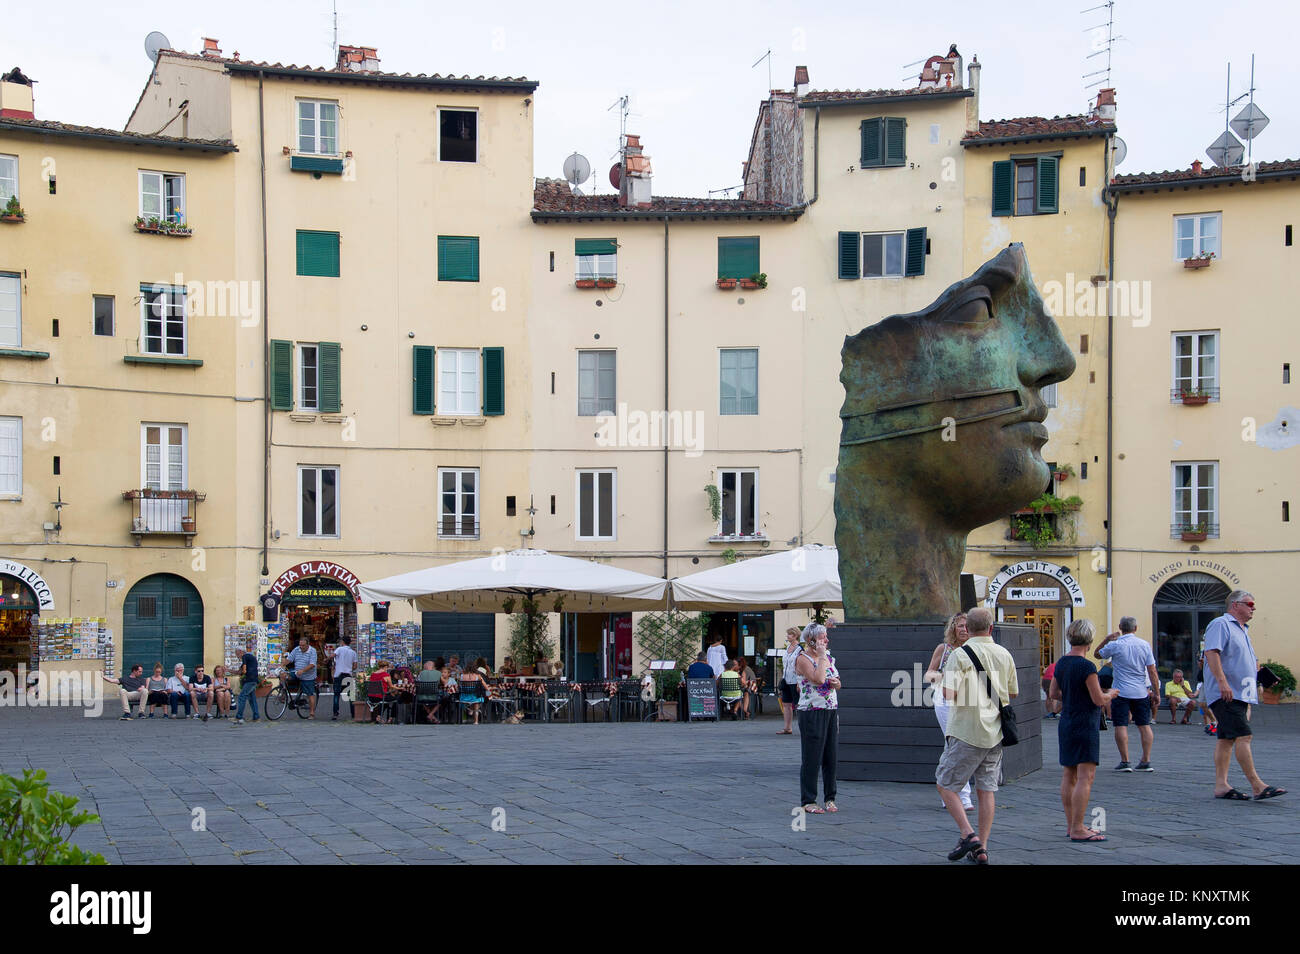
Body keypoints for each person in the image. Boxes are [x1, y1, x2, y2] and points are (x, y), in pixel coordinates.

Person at [935, 607, 1018, 865]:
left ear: (967, 629)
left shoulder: (959, 655)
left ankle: (967, 833)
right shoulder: (1004, 654)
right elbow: (1012, 693)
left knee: (945, 784)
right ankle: (981, 847)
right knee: (987, 790)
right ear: (991, 628)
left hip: (966, 730)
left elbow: (948, 693)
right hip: (995, 732)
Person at [1203, 591, 1286, 801]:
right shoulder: (1221, 624)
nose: (1253, 608)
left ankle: (1221, 786)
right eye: (1249, 604)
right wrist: (1222, 683)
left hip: (1241, 692)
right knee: (1243, 735)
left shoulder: (1242, 630)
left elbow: (1247, 661)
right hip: (1227, 693)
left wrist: (1261, 677)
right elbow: (1211, 653)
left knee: (1226, 738)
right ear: (1235, 605)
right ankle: (1257, 785)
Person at [1049, 619, 1120, 842]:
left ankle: (1072, 825)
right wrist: (1110, 694)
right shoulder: (1087, 666)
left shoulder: (1061, 662)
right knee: (1085, 777)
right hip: (1084, 724)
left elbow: (1054, 693)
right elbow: (1098, 699)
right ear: (1089, 640)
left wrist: (1073, 695)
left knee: (1068, 774)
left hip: (1067, 721)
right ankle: (1079, 828)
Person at [1095, 617, 1159, 772]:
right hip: (1140, 691)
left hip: (1120, 691)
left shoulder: (1116, 645)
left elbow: (1097, 654)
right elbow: (1152, 670)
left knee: (1121, 725)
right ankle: (1146, 759)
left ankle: (1125, 760)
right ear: (1135, 628)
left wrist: (1106, 639)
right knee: (1144, 725)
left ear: (1120, 627)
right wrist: (1156, 692)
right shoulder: (1144, 645)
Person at [924, 613, 973, 811]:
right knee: (954, 743)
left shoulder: (975, 648)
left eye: (967, 626)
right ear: (953, 628)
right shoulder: (944, 649)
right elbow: (928, 674)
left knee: (962, 745)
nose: (963, 629)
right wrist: (943, 676)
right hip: (945, 699)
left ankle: (949, 791)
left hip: (969, 701)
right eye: (960, 626)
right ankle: (962, 795)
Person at [794, 623, 841, 815]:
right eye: (823, 638)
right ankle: (808, 799)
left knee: (831, 755)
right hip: (812, 710)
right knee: (812, 756)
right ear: (811, 640)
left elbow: (836, 681)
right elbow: (819, 679)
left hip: (830, 709)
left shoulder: (828, 657)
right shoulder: (803, 659)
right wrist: (821, 657)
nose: (827, 641)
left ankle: (830, 797)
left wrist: (837, 683)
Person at [285, 634, 319, 719]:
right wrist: (281, 665)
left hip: (308, 675)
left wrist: (303, 670)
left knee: (310, 694)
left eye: (303, 646)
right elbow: (289, 659)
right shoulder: (297, 649)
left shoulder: (312, 651)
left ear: (308, 644)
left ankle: (312, 713)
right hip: (297, 672)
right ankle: (282, 694)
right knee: (284, 675)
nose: (301, 647)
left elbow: (312, 664)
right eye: (300, 645)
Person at [326, 635, 357, 721]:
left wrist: (327, 659)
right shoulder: (353, 652)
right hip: (348, 674)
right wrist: (349, 668)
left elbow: (332, 656)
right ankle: (353, 713)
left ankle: (335, 714)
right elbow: (355, 666)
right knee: (351, 696)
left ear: (343, 642)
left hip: (339, 674)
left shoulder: (339, 649)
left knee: (336, 695)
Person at [778, 627, 801, 735]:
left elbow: (800, 666)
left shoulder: (799, 649)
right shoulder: (788, 647)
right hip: (786, 679)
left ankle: (803, 727)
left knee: (798, 704)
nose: (787, 636)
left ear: (795, 636)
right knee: (786, 703)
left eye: (789, 634)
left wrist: (799, 682)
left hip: (795, 679)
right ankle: (787, 727)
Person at [234, 640, 261, 724]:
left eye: (237, 653)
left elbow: (243, 669)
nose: (236, 655)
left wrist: (244, 672)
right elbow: (239, 672)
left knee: (242, 696)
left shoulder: (245, 656)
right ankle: (256, 717)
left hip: (250, 680)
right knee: (252, 699)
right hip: (253, 680)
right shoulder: (250, 658)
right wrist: (227, 670)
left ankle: (239, 717)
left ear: (241, 651)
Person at [416, 660, 443, 724]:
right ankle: (431, 715)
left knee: (422, 701)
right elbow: (443, 683)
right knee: (441, 700)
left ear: (425, 667)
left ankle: (431, 715)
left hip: (421, 697)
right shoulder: (439, 673)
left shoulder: (421, 673)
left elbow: (417, 683)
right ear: (433, 667)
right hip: (435, 697)